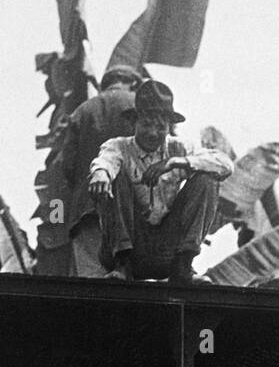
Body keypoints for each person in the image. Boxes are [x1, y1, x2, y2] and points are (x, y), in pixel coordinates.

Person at [88, 79, 234, 283]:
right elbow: (105, 161)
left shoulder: (179, 148)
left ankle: (184, 266)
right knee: (114, 175)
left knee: (207, 179)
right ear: (134, 123)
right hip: (131, 249)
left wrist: (175, 162)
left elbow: (225, 164)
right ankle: (122, 265)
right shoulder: (119, 146)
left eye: (160, 126)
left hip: (168, 253)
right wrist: (101, 174)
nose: (153, 133)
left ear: (169, 127)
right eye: (146, 124)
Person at [60, 66, 142, 277]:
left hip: (87, 209)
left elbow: (67, 165)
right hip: (134, 210)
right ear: (133, 83)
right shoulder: (142, 107)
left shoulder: (82, 111)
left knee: (93, 286)